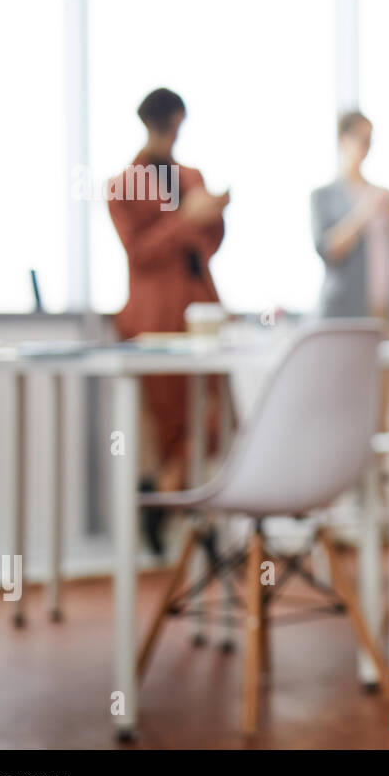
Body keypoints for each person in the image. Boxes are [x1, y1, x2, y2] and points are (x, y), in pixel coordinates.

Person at [107, 88, 229, 555]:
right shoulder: (124, 184)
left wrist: (213, 214)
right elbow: (140, 252)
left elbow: (209, 244)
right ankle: (182, 507)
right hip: (156, 318)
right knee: (173, 422)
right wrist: (184, 219)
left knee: (214, 416)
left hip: (203, 312)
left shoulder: (192, 176)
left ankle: (164, 491)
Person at [311, 110, 389, 329]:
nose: (366, 145)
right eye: (361, 138)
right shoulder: (324, 196)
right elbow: (328, 250)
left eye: (370, 139)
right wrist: (364, 213)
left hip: (387, 311)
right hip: (345, 313)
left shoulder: (382, 195)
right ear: (343, 139)